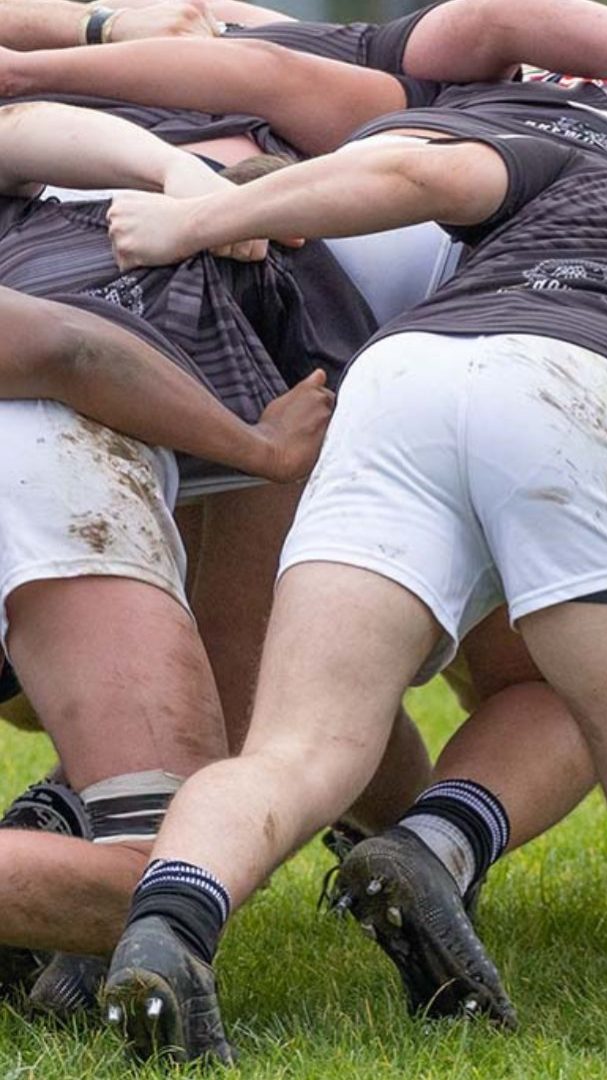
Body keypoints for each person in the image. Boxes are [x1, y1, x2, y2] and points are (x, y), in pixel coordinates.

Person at [97, 111, 607, 1062]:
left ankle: (171, 924)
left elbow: (409, 175)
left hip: (405, 376)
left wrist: (199, 220)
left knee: (297, 748)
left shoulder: (593, 182)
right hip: (601, 393)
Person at [0, 100, 355, 1011]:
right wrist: (258, 449)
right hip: (50, 448)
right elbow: (62, 348)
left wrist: (174, 172)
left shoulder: (92, 185)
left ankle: (56, 849)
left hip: (63, 454)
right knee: (181, 863)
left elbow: (28, 112)